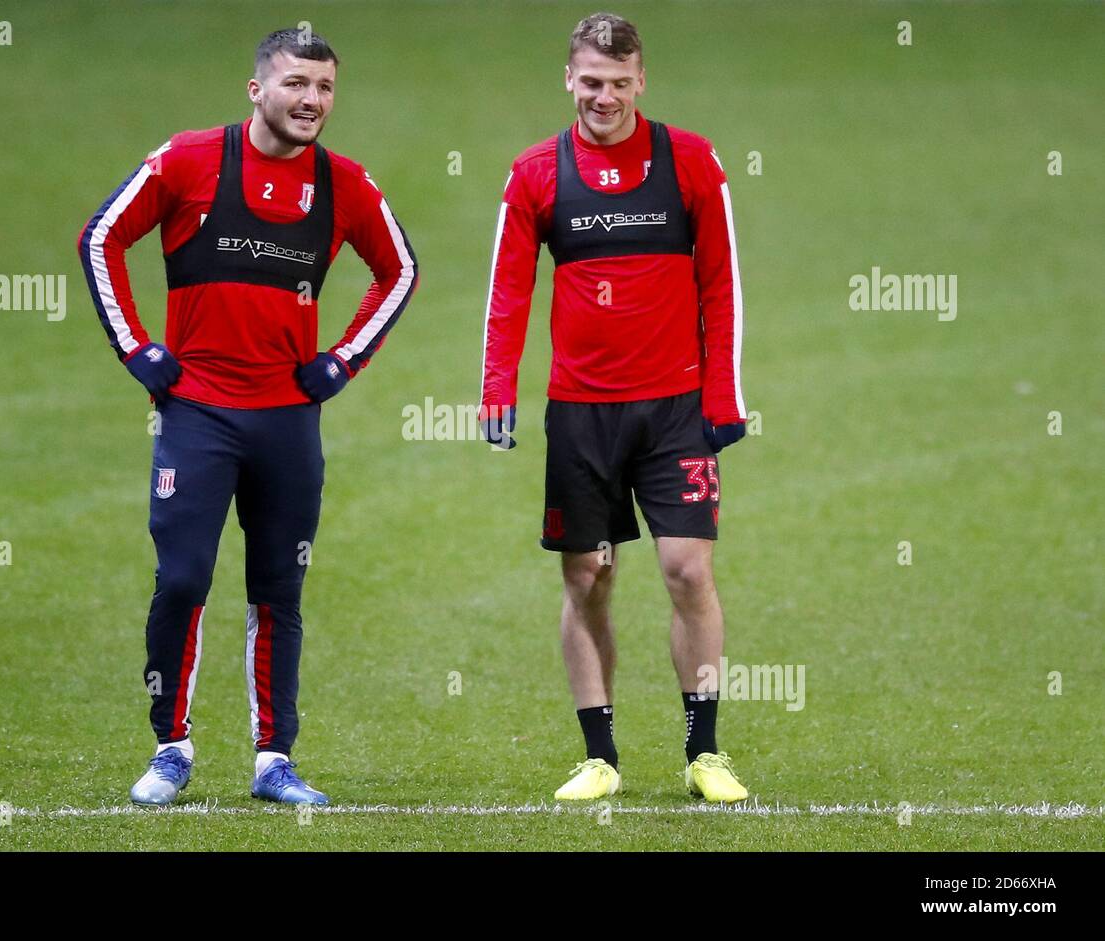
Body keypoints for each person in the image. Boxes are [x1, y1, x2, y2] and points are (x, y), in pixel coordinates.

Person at [77, 27, 417, 806]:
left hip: (287, 424)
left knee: (278, 591)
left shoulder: (344, 184)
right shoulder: (188, 159)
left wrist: (343, 359)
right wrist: (135, 347)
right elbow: (100, 238)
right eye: (296, 84)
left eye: (324, 87)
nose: (312, 100)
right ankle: (171, 747)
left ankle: (274, 760)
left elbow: (399, 270)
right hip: (197, 414)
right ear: (257, 89)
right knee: (182, 578)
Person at [479, 12, 749, 802]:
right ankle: (600, 757)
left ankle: (705, 752)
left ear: (642, 81)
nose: (605, 97)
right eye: (591, 81)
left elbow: (722, 283)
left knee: (688, 570)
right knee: (589, 576)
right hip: (581, 412)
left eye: (620, 83)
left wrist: (724, 395)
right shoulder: (536, 172)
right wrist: (497, 387)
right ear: (569, 77)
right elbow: (508, 288)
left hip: (676, 410)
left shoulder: (690, 161)